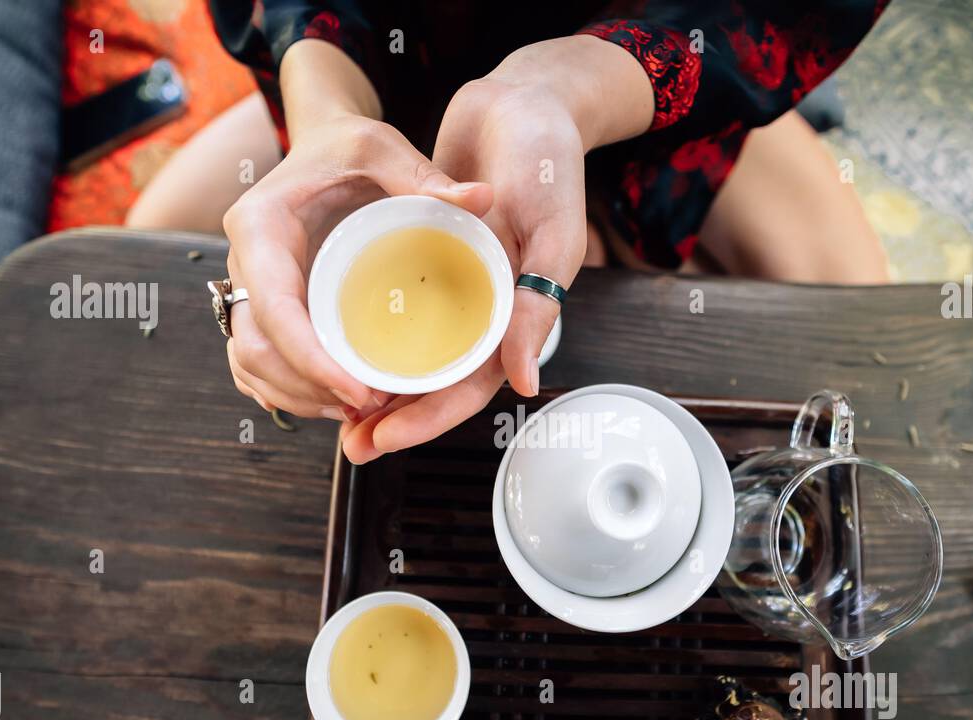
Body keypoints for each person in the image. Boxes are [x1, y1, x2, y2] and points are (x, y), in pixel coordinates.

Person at [129, 1, 890, 464]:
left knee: (873, 357)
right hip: (369, 68)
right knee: (141, 250)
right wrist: (327, 123)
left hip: (646, 82)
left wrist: (557, 94)